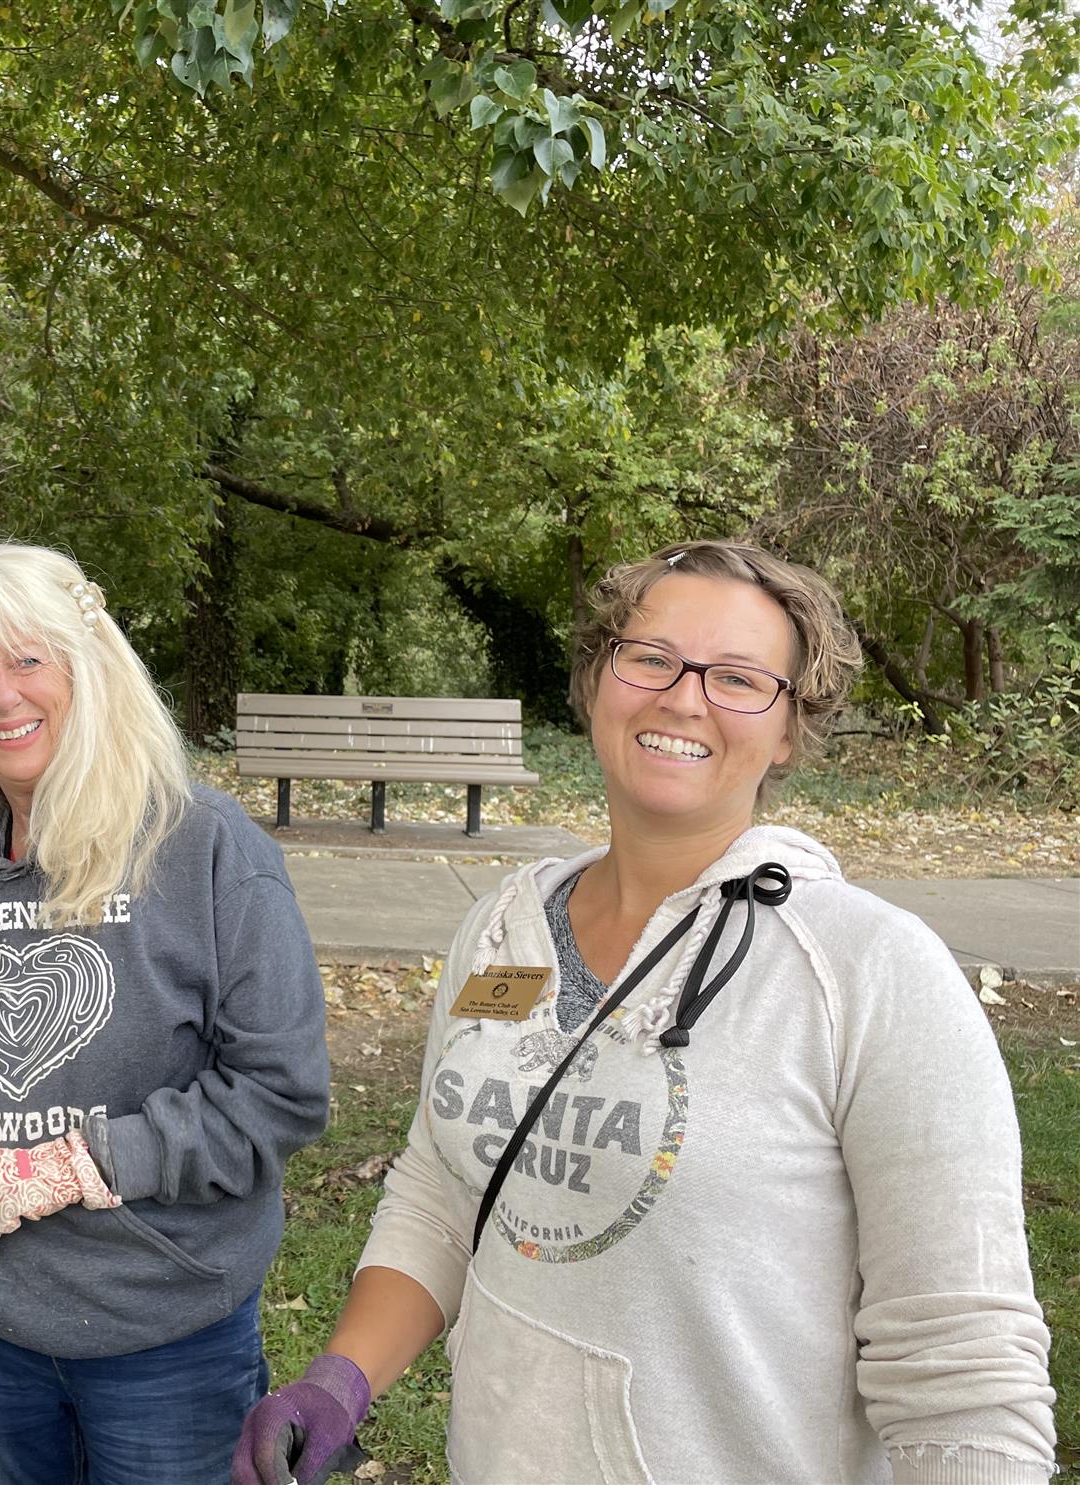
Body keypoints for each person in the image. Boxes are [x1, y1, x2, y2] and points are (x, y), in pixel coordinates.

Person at [236, 540, 1058, 1484]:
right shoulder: (502, 930)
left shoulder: (872, 971)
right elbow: (443, 1187)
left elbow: (964, 1367)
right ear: (598, 680)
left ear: (790, 732)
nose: (683, 697)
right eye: (651, 657)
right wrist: (340, 1381)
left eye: (738, 677)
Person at [0, 542, 330, 1483]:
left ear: (89, 669)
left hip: (164, 1329)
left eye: (28, 661)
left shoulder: (203, 848)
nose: (1, 696)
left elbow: (281, 1094)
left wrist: (77, 1163)